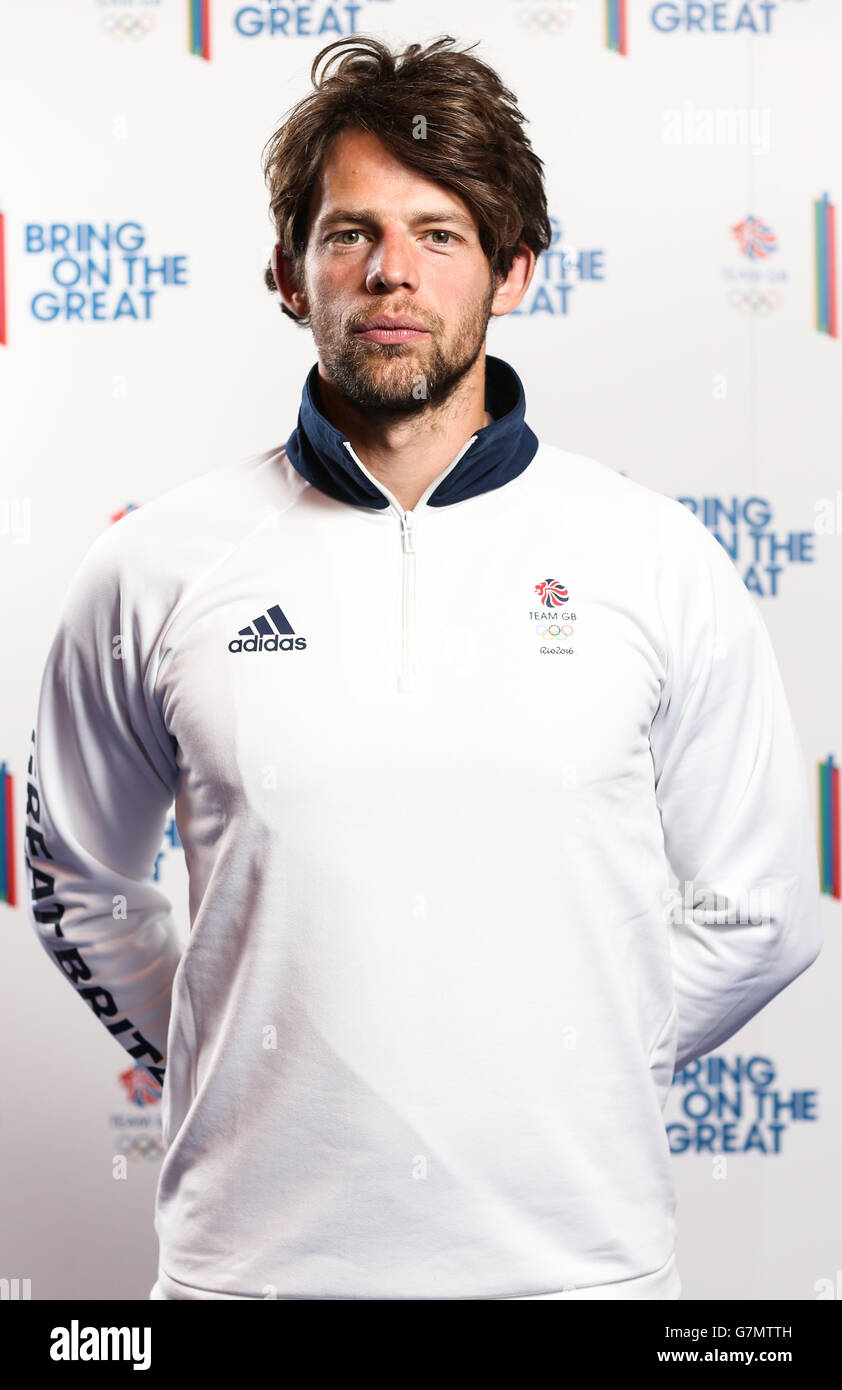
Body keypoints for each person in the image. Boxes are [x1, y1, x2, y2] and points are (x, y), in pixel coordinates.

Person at [23, 34, 822, 1302]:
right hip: (249, 1278)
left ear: (512, 273)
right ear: (287, 274)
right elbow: (77, 877)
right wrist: (249, 1049)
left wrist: (569, 1058)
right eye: (350, 233)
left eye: (439, 233)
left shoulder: (653, 557)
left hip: (578, 1278)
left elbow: (764, 906)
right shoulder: (154, 567)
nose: (391, 271)